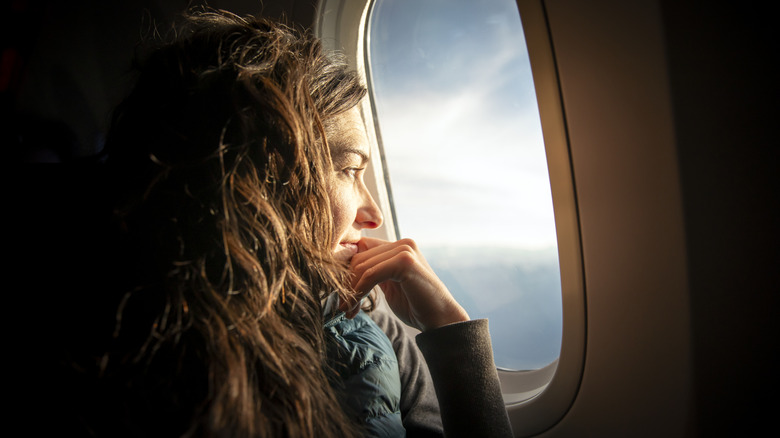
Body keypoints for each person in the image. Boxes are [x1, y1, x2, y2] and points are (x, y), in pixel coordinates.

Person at [82, 8, 511, 438]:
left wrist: (450, 329)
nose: (374, 214)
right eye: (349, 170)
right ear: (261, 180)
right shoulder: (138, 364)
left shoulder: (370, 320)